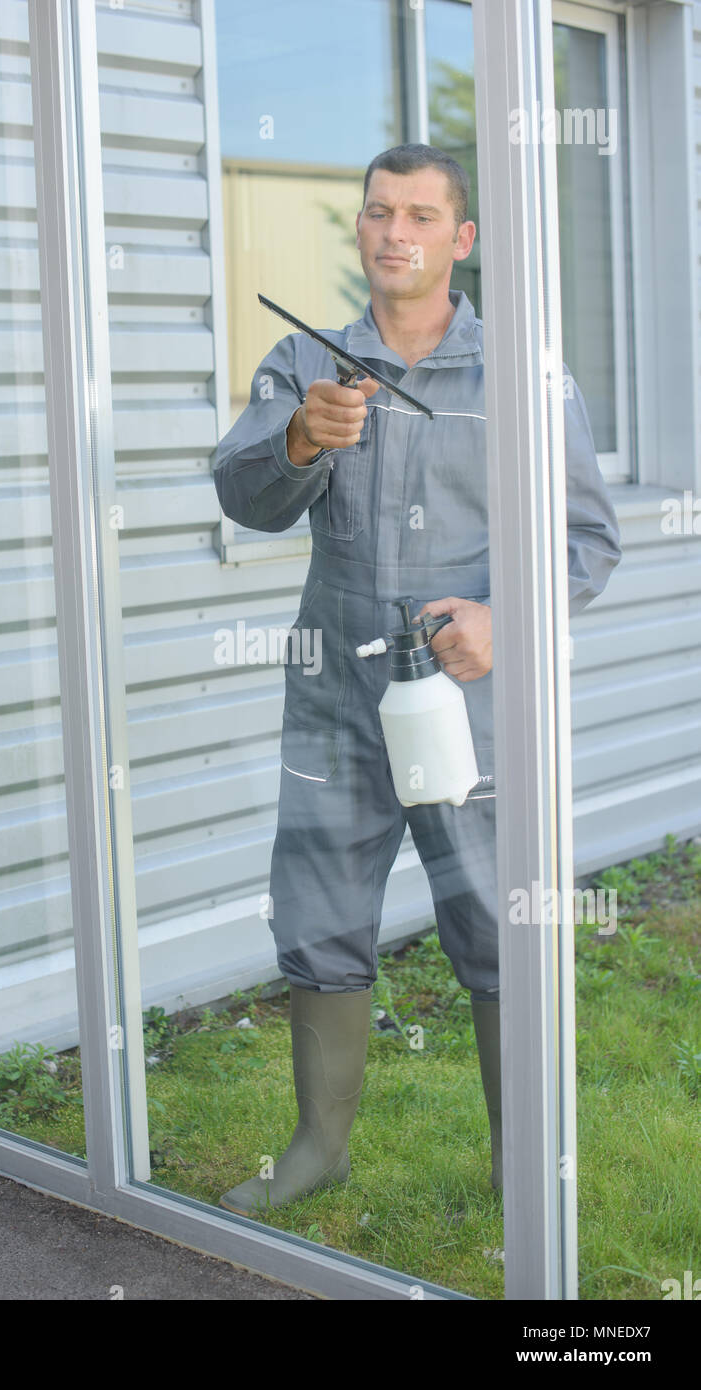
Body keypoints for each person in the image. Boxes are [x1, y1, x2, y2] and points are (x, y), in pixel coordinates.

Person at [212, 143, 621, 1216]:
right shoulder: (307, 364)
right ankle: (316, 1147)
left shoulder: (525, 374)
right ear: (360, 228)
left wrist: (507, 619)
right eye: (379, 212)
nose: (397, 232)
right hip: (335, 693)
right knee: (318, 905)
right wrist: (300, 438)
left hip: (469, 703)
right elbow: (245, 496)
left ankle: (517, 1159)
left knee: (496, 917)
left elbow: (585, 539)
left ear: (461, 238)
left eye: (423, 216)